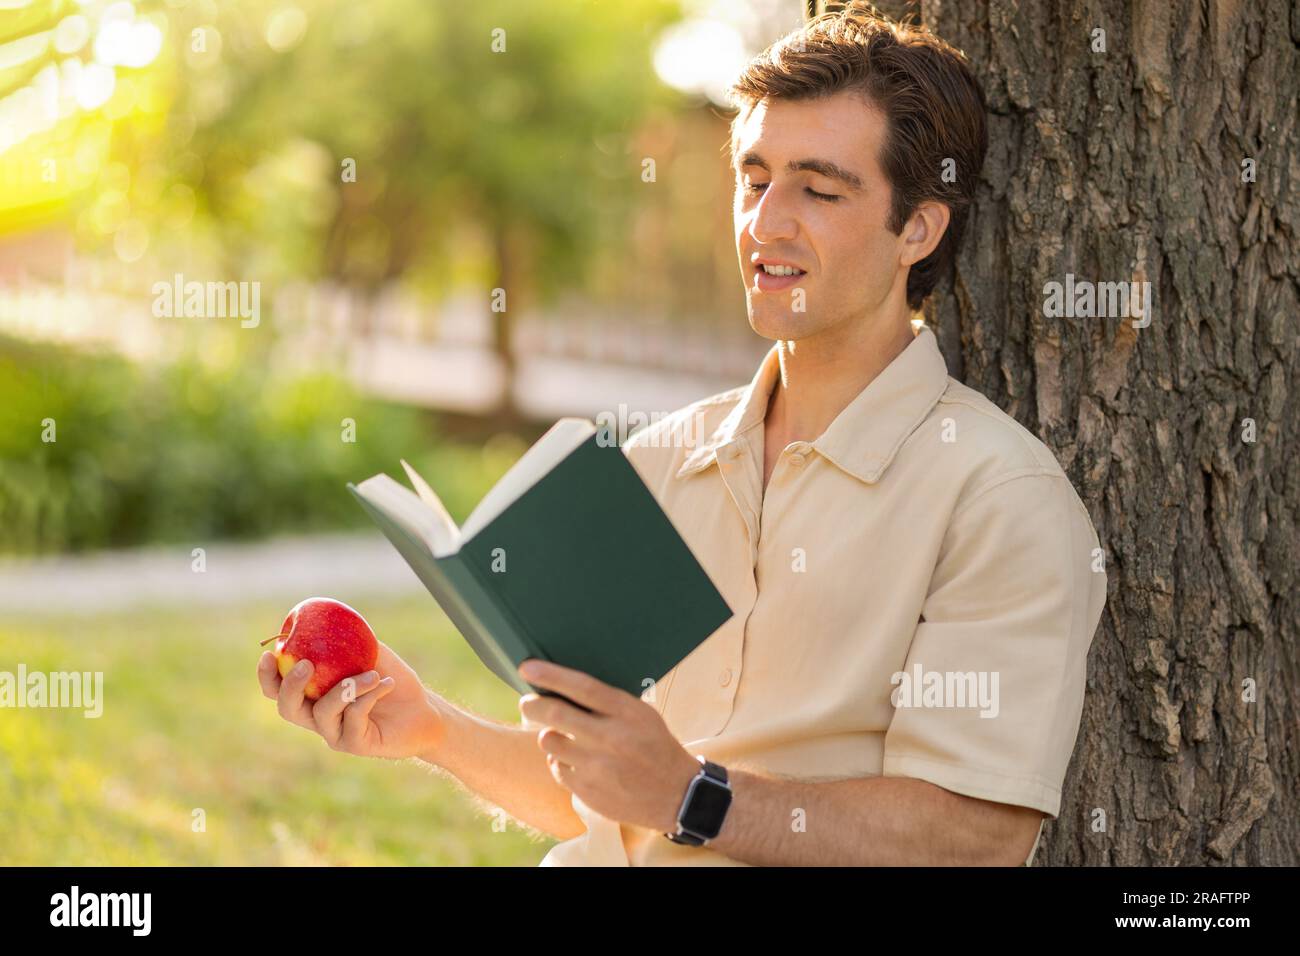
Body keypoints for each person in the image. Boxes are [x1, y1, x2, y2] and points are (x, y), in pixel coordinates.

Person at [258, 3, 1107, 866]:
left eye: (818, 189)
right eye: (754, 177)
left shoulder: (1000, 501)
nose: (765, 223)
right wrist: (433, 728)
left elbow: (972, 838)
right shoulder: (654, 462)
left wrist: (693, 796)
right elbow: (608, 796)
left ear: (917, 229)